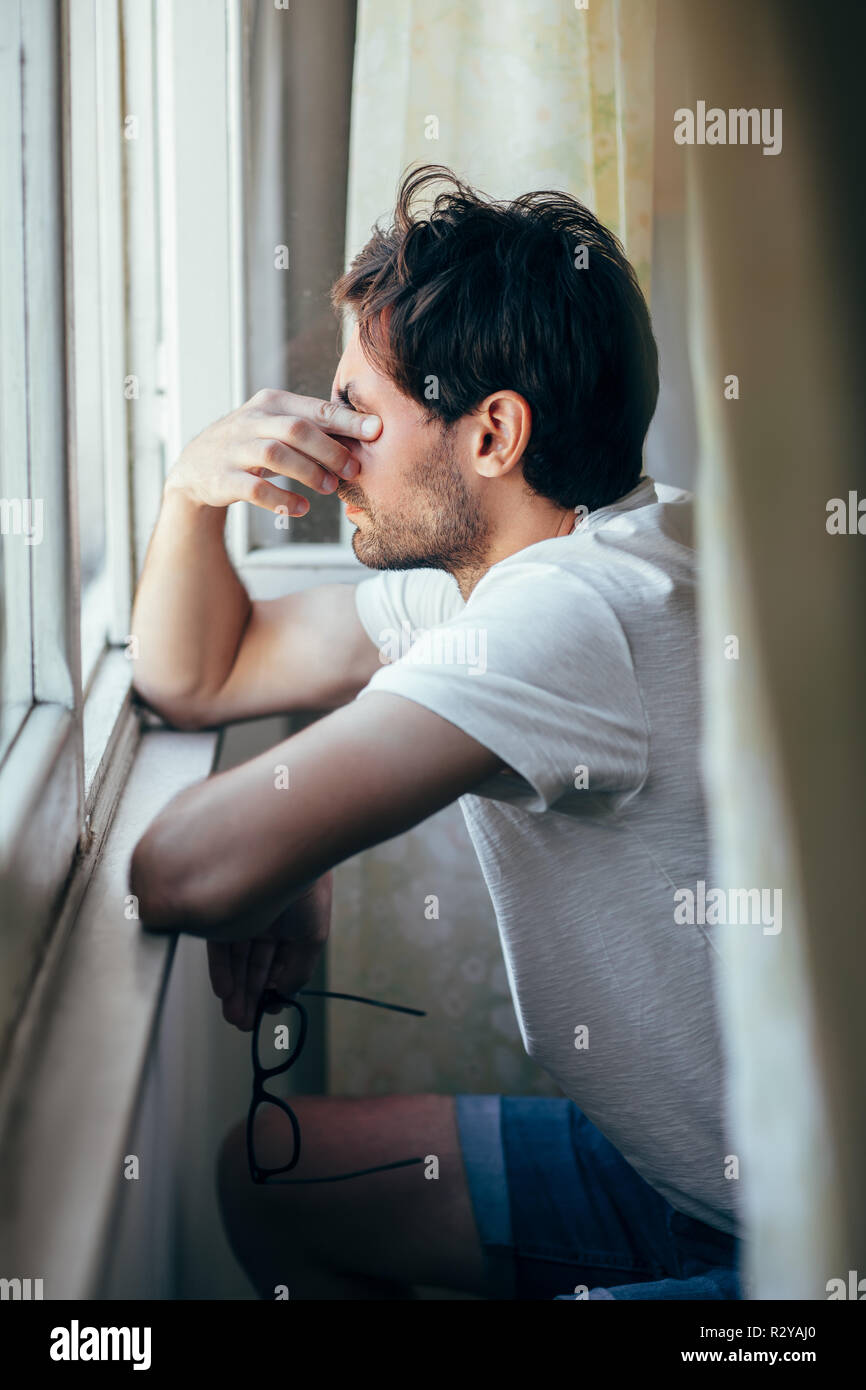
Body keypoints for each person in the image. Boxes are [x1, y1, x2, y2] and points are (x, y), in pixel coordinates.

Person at [128, 165, 742, 1300]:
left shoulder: (570, 614)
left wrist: (280, 846)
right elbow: (199, 672)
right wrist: (187, 496)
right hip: (677, 1176)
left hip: (787, 1236)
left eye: (360, 404)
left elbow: (182, 870)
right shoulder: (557, 563)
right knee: (280, 1184)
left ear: (492, 434)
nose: (330, 439)